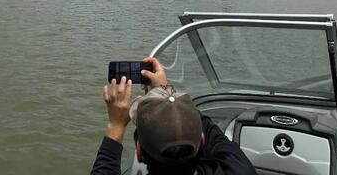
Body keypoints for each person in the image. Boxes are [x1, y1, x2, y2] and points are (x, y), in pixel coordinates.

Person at [90, 56, 257, 175]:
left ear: (139, 150)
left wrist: (116, 126)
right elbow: (217, 138)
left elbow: (104, 168)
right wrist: (168, 95)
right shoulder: (239, 169)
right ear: (202, 140)